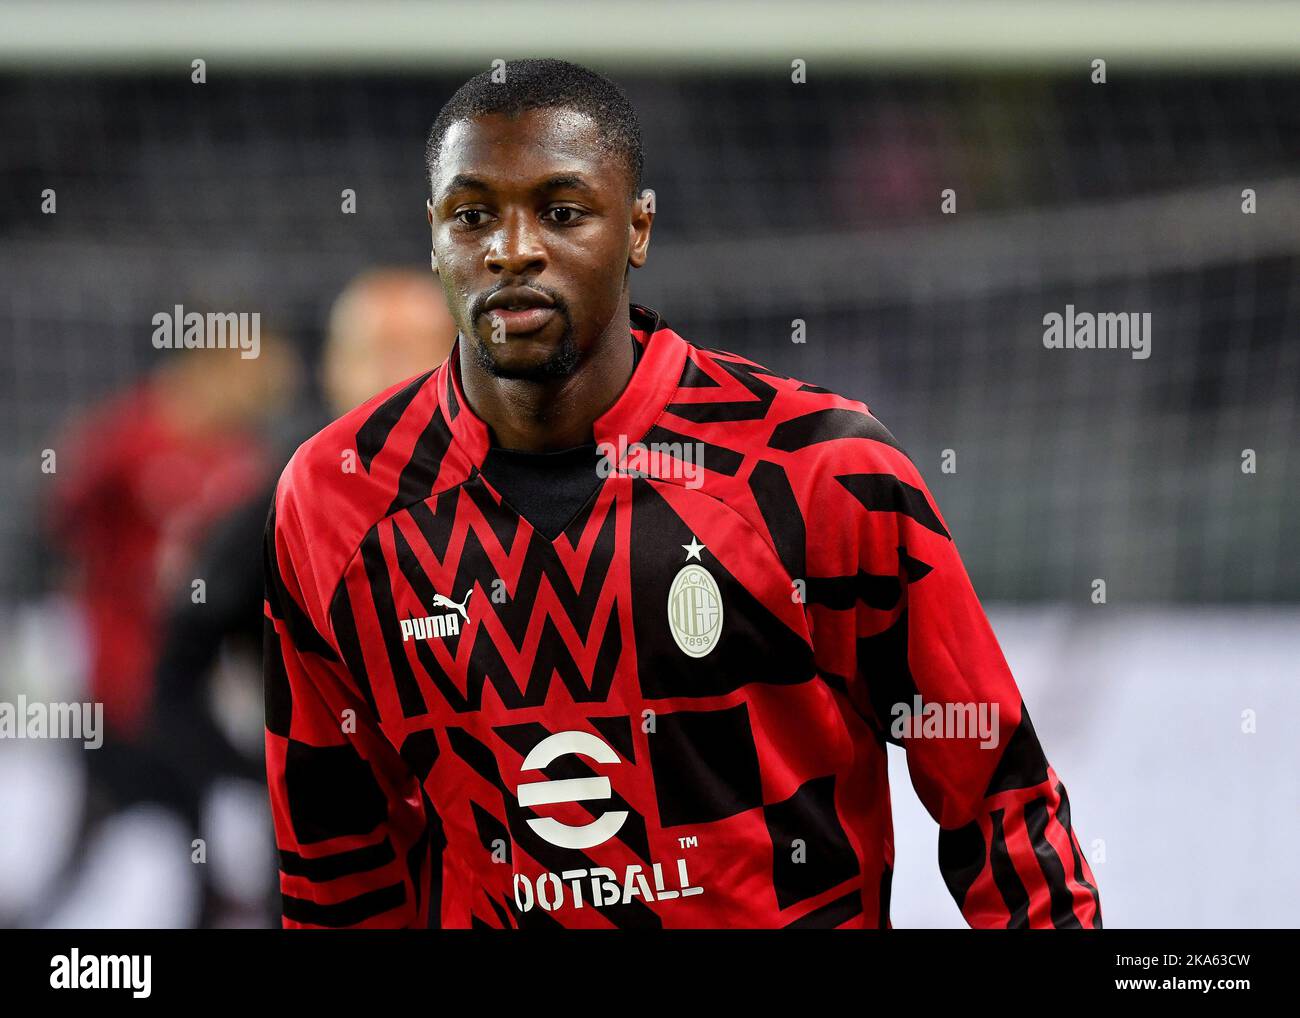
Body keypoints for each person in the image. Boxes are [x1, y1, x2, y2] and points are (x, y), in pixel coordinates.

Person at [263, 59, 1101, 929]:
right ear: (434, 236)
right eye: (473, 215)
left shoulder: (816, 469)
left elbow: (1000, 799)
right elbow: (335, 868)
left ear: (638, 228)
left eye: (561, 211)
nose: (512, 248)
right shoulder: (336, 501)